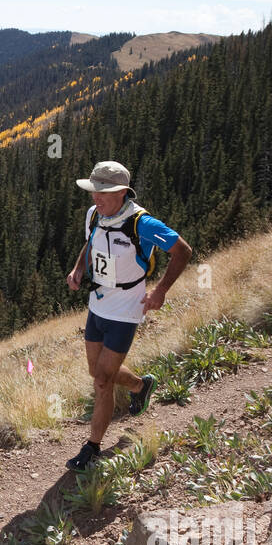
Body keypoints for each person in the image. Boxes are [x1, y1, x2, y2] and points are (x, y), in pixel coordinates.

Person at [64, 161, 192, 471]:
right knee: (96, 371)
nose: (97, 198)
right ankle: (140, 386)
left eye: (104, 193)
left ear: (122, 192)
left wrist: (160, 291)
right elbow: (91, 241)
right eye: (94, 192)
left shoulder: (142, 224)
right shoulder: (95, 215)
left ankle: (93, 447)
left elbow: (183, 251)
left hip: (126, 310)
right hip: (97, 305)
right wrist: (79, 267)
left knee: (103, 381)